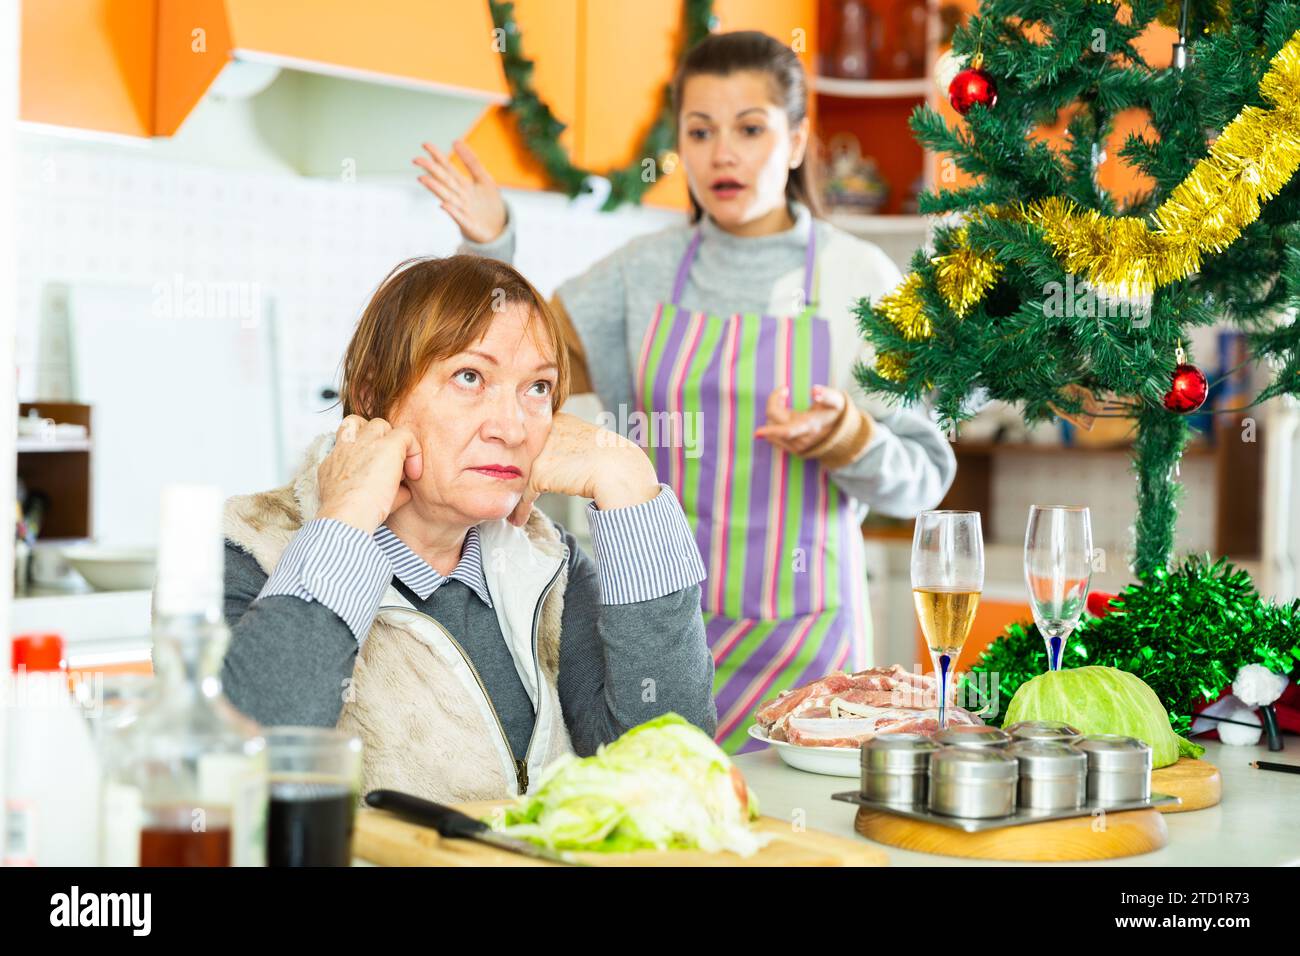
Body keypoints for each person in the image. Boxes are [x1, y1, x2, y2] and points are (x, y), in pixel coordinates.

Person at [415, 30, 956, 753]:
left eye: (750, 129)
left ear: (797, 142)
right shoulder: (641, 271)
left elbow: (924, 479)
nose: (721, 153)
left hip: (806, 648)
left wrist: (853, 439)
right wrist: (493, 247)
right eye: (699, 131)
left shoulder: (863, 281)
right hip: (651, 632)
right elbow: (523, 365)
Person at [219, 254, 716, 801]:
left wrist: (631, 485)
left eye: (538, 388)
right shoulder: (246, 547)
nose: (511, 427)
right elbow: (240, 774)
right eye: (470, 377)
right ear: (369, 395)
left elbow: (674, 774)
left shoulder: (549, 562)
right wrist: (347, 520)